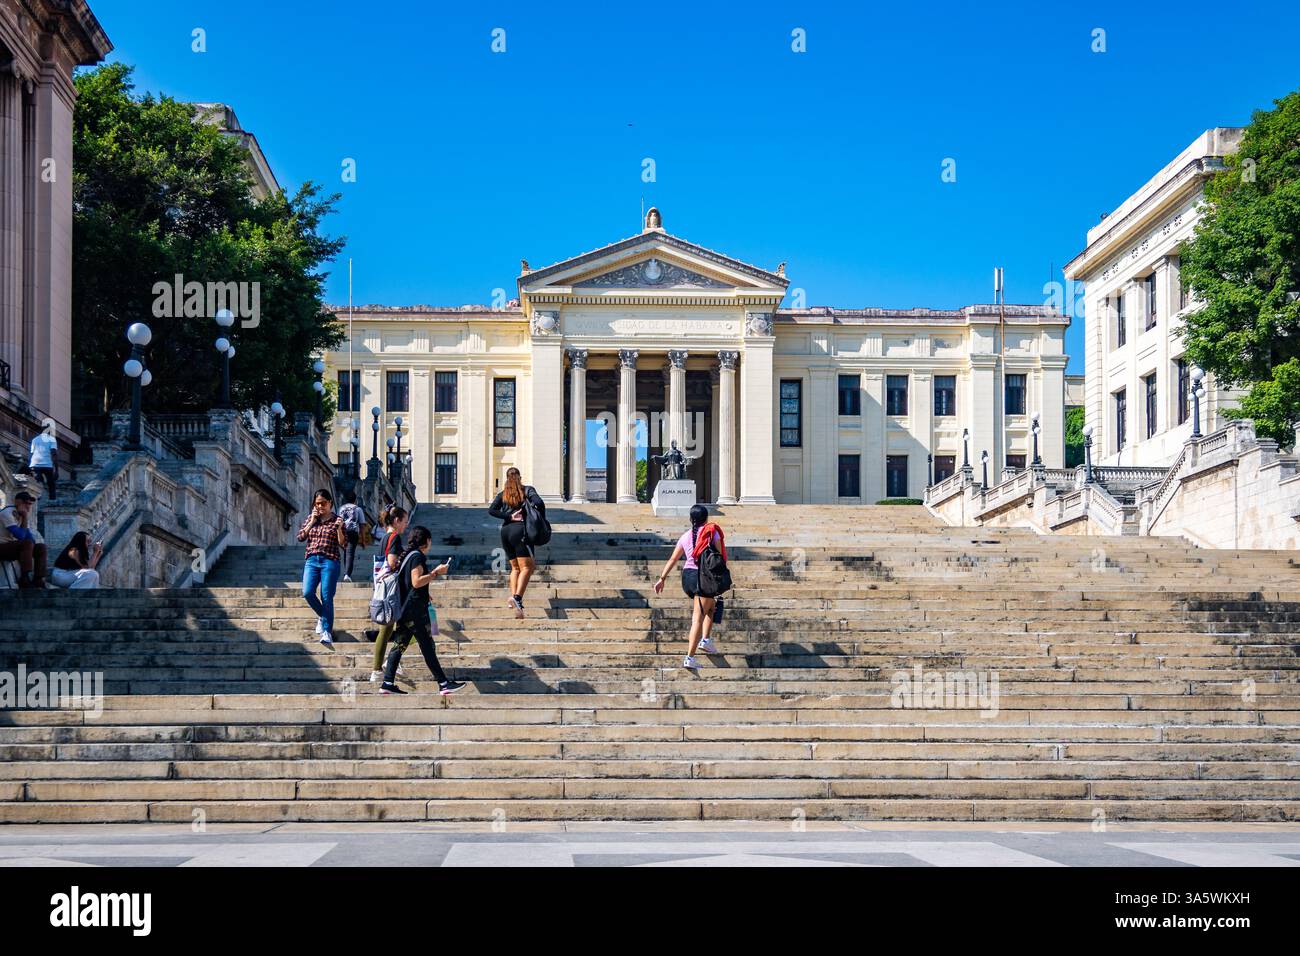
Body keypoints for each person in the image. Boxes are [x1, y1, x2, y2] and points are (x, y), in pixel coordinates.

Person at [379, 525, 464, 696]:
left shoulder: (407, 556)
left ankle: (387, 682)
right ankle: (443, 683)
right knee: (426, 646)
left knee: (399, 645)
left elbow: (411, 584)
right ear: (426, 541)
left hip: (405, 609)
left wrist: (426, 593)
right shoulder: (417, 556)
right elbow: (416, 581)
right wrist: (436, 573)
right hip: (415, 611)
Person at [653, 503, 725, 670]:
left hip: (688, 578)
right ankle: (690, 657)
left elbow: (673, 559)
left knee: (711, 607)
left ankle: (706, 640)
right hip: (704, 578)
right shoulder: (710, 533)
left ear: (691, 519)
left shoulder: (685, 536)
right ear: (706, 518)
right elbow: (719, 556)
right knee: (697, 618)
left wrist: (662, 578)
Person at [488, 467, 545, 619]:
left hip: (505, 531)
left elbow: (491, 510)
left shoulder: (503, 494)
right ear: (520, 477)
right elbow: (538, 502)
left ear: (507, 478)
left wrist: (508, 516)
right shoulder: (527, 490)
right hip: (520, 531)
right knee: (528, 566)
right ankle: (518, 597)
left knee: (515, 567)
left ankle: (515, 599)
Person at [365, 504, 408, 682]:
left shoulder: (384, 538)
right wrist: (404, 560)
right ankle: (381, 666)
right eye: (405, 521)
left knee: (389, 628)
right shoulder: (394, 537)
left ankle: (386, 664)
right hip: (392, 589)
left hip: (383, 586)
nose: (406, 525)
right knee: (395, 628)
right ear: (396, 521)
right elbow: (391, 563)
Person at [297, 488, 345, 646]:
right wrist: (311, 521)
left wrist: (339, 529)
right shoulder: (311, 519)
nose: (320, 507)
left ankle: (326, 631)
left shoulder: (337, 520)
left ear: (330, 503)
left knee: (326, 596)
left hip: (329, 561)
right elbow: (301, 537)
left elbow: (343, 544)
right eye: (317, 504)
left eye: (323, 503)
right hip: (312, 560)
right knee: (308, 592)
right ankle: (324, 617)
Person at [0, 491, 47, 589]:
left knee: (41, 547)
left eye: (30, 504)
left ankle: (38, 578)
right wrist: (25, 517)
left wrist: (24, 518)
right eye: (26, 503)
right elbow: (20, 536)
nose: (28, 507)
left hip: (11, 546)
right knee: (26, 544)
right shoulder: (7, 513)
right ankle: (24, 578)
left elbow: (30, 539)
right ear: (18, 502)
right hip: (2, 546)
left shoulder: (21, 515)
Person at [337, 490, 367, 583]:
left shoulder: (341, 508)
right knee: (350, 553)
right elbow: (362, 525)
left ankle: (346, 572)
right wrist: (363, 539)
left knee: (346, 552)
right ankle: (347, 574)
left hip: (342, 532)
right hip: (353, 533)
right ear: (355, 500)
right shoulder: (358, 509)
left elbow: (338, 522)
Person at [28, 429, 58, 501]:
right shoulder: (52, 439)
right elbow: (54, 453)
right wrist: (56, 469)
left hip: (35, 464)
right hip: (47, 464)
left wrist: (30, 465)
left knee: (38, 482)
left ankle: (38, 498)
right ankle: (52, 501)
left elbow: (32, 453)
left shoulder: (35, 439)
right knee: (51, 484)